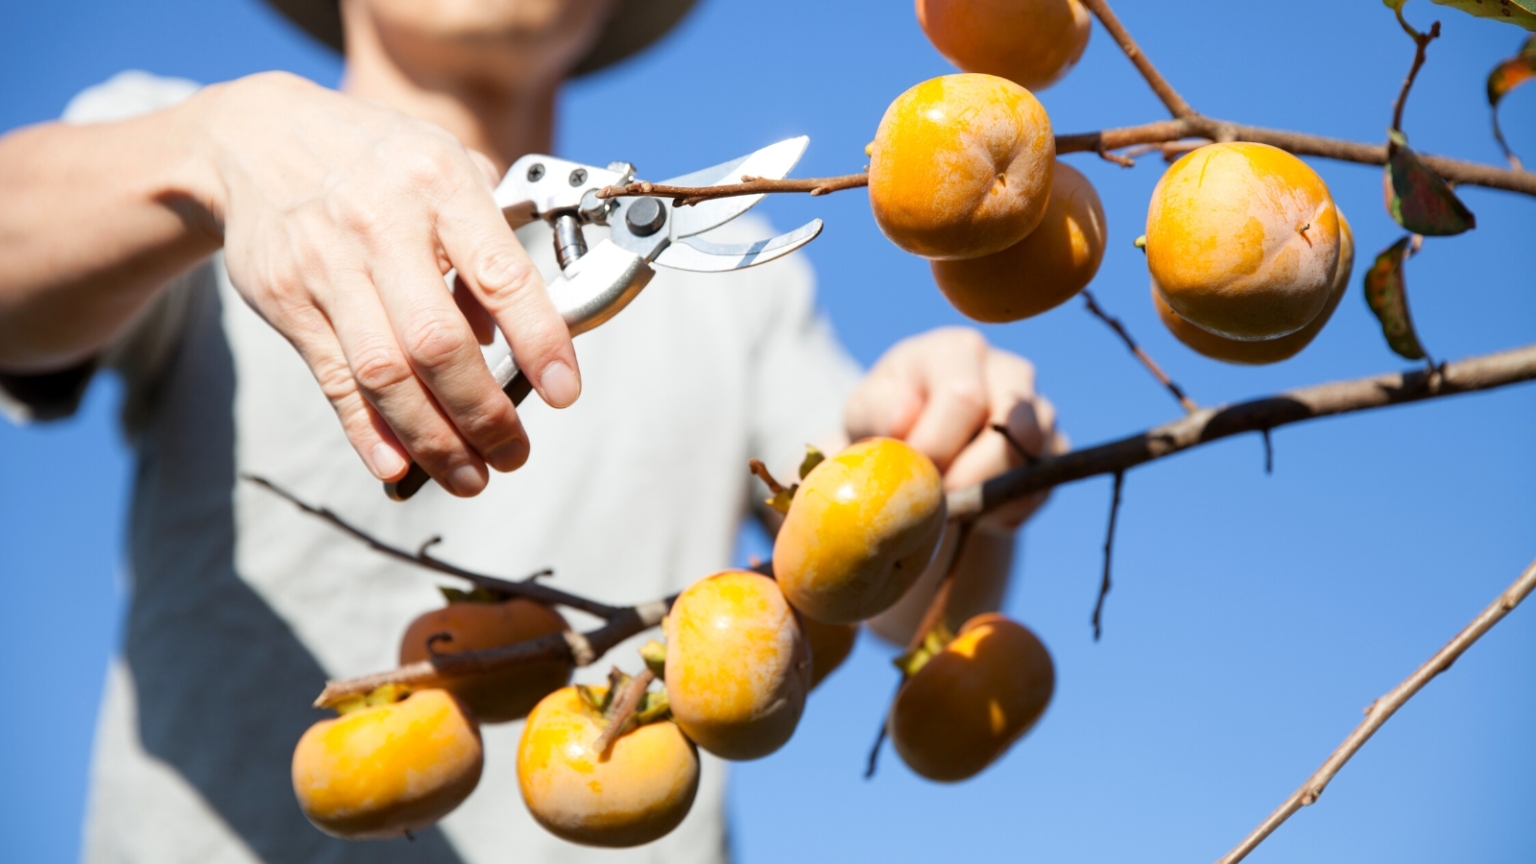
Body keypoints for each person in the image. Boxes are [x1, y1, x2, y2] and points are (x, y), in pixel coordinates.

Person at [0, 1, 1063, 862]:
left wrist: (959, 441)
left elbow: (893, 592)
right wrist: (218, 150)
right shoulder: (182, 156)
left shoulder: (738, 296)